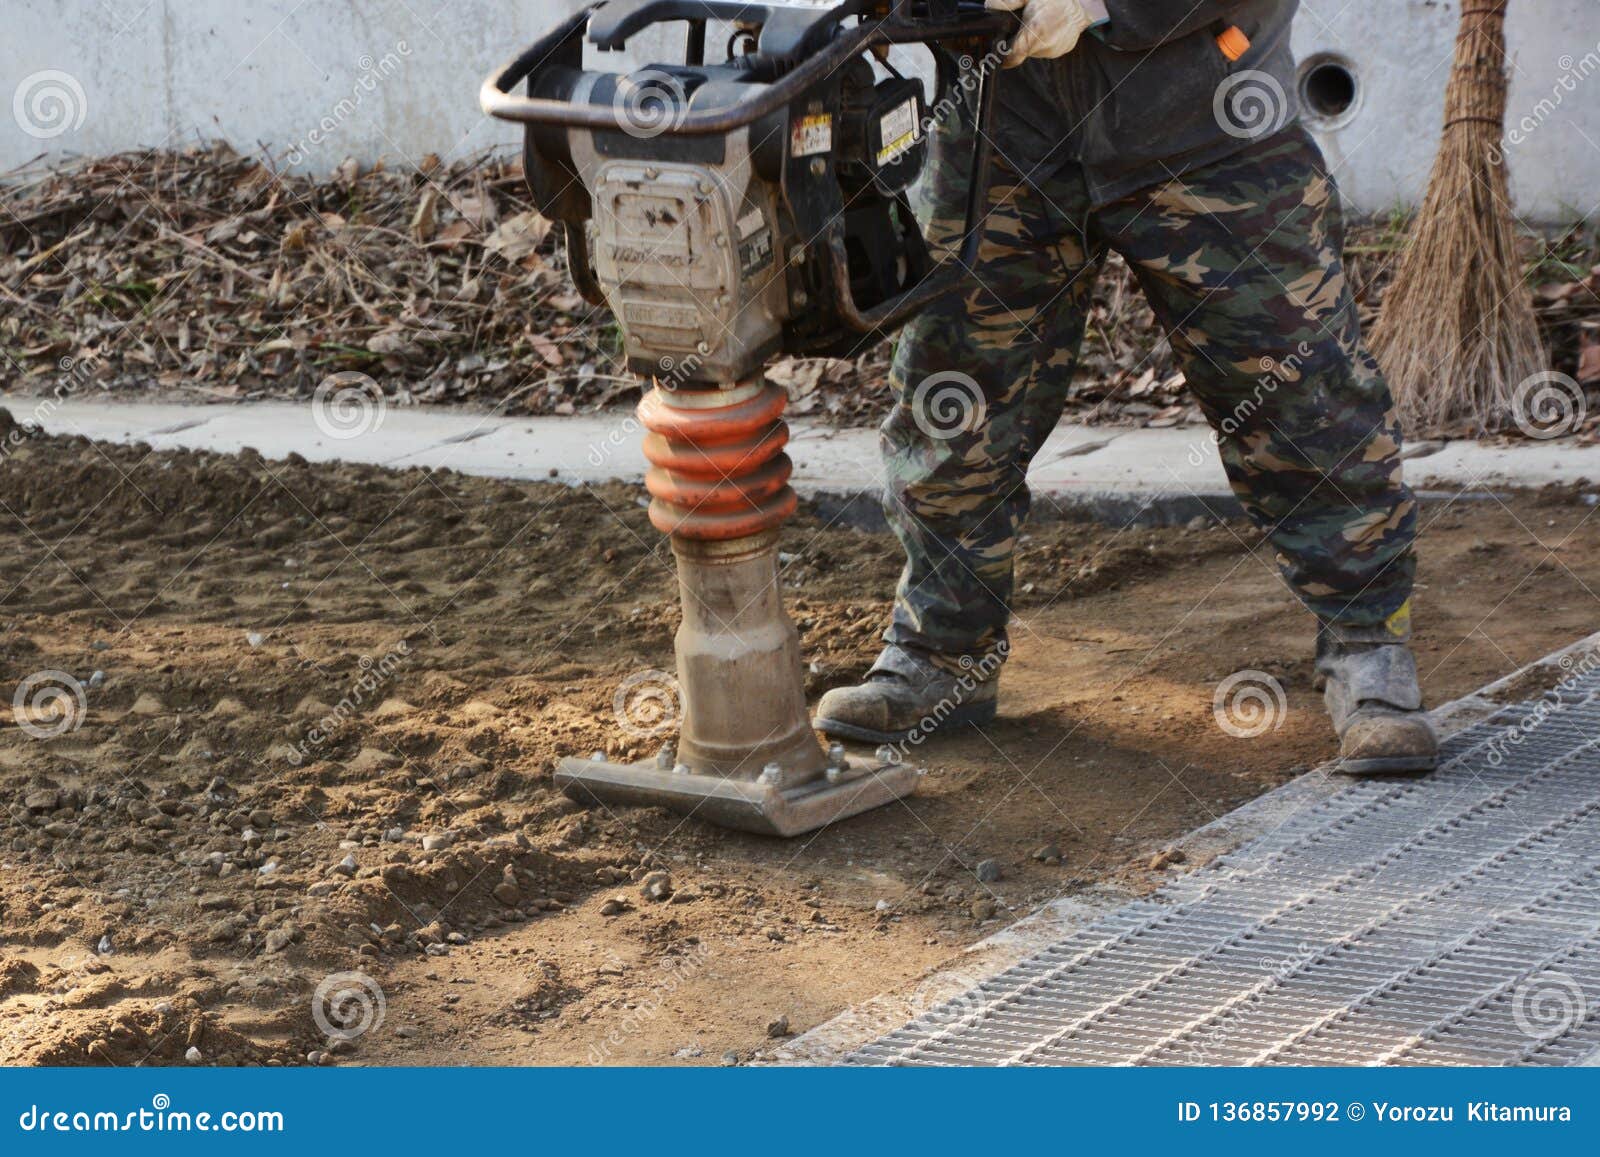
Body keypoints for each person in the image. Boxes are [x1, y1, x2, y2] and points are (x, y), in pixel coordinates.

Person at [815, 0, 1438, 775]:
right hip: (1004, 130)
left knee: (1298, 394)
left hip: (1208, 120)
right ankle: (942, 650)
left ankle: (1368, 643)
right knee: (954, 398)